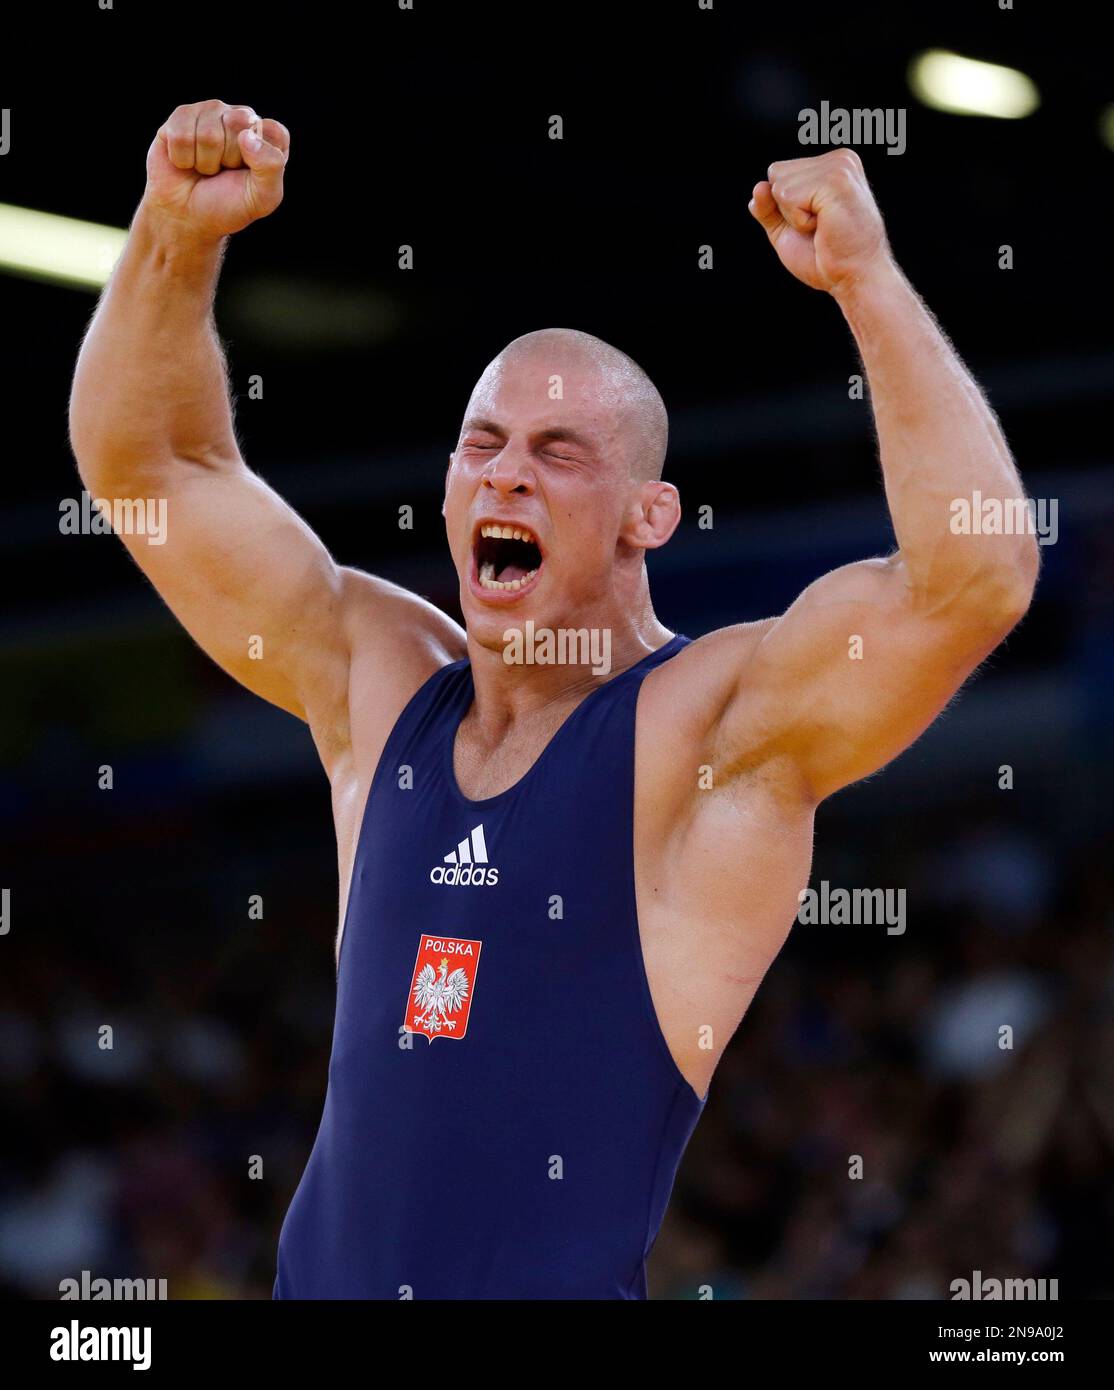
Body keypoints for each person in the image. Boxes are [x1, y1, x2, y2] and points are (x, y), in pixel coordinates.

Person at [68, 100, 1039, 1299]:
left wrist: (868, 283)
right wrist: (173, 233)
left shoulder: (703, 734)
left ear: (649, 517)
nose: (504, 472)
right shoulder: (379, 685)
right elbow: (150, 469)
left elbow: (974, 578)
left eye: (558, 449)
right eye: (481, 444)